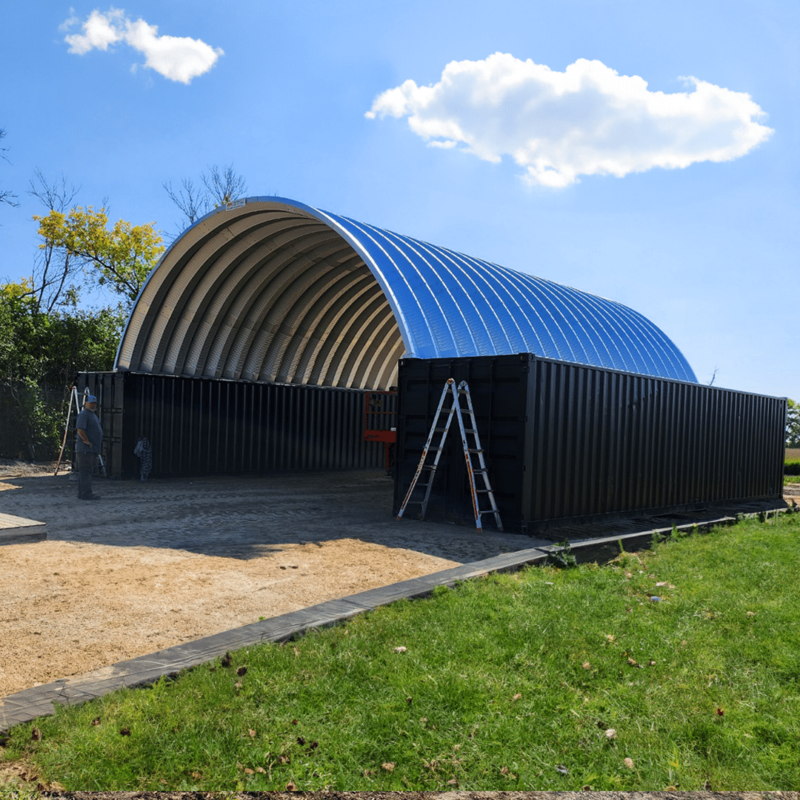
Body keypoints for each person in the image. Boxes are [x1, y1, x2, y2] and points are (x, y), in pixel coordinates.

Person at [75, 394, 103, 500]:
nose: (93, 405)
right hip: (85, 450)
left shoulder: (92, 414)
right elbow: (80, 429)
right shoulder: (84, 414)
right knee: (86, 472)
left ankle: (82, 493)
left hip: (90, 450)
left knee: (85, 472)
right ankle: (86, 494)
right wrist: (86, 441)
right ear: (85, 403)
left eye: (94, 403)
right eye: (91, 403)